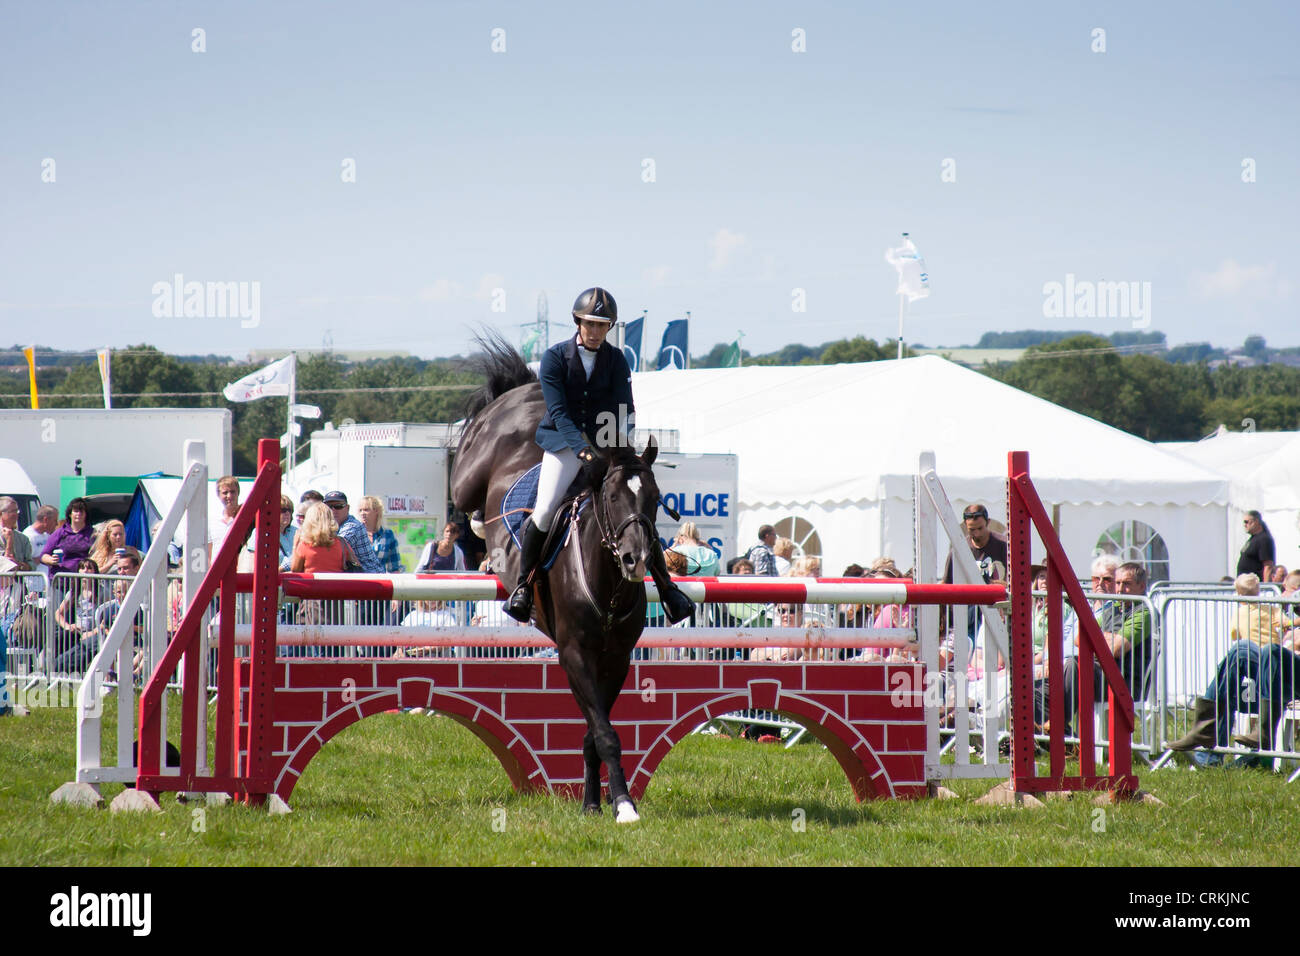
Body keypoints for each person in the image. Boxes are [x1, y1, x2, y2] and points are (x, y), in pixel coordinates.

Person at [504, 286, 692, 625]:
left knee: (635, 507)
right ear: (578, 322)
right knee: (546, 510)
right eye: (590, 324)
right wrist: (582, 450)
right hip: (564, 443)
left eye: (602, 325)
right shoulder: (555, 357)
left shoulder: (616, 359)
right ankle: (523, 586)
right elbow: (559, 413)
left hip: (605, 444)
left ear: (609, 328)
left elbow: (625, 407)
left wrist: (616, 445)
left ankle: (667, 590)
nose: (595, 332)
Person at [1169, 572, 1298, 761]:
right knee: (1240, 650)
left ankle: (1259, 732)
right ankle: (1206, 737)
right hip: (1277, 673)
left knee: (1271, 650)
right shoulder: (1274, 612)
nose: (1284, 594)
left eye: (1291, 590)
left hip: (1290, 675)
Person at [1057, 562, 1153, 738]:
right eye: (1117, 583)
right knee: (1049, 681)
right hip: (1100, 672)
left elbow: (1116, 649)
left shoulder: (1144, 612)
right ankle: (1049, 729)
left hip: (1124, 680)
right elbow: (1080, 639)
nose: (1120, 589)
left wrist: (1100, 637)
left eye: (1126, 584)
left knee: (1072, 666)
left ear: (1141, 586)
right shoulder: (1112, 609)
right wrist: (1108, 637)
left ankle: (1057, 726)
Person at [322, 491, 383, 573]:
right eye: (328, 507)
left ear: (347, 508)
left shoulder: (352, 526)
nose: (333, 510)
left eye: (338, 506)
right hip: (357, 578)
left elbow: (333, 550)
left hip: (370, 579)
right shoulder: (331, 526)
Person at [40, 498, 95, 574]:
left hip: (83, 580)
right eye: (76, 511)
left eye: (81, 511)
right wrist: (51, 560)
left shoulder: (92, 533)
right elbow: (43, 555)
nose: (79, 514)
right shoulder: (60, 532)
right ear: (70, 514)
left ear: (86, 514)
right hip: (61, 579)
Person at [359, 496, 404, 574]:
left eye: (366, 510)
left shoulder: (387, 534)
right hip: (360, 582)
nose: (362, 513)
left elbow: (395, 567)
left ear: (376, 511)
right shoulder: (355, 533)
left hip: (379, 582)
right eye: (360, 510)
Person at [1238, 510, 1276, 582]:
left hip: (1255, 585)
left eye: (1246, 522)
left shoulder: (1264, 539)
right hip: (1245, 584)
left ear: (1256, 521)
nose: (1244, 525)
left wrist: (1265, 587)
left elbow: (1268, 565)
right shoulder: (1253, 539)